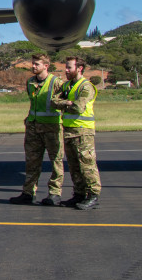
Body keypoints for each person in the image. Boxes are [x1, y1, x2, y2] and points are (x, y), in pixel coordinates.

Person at [9, 53, 63, 206]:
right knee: (32, 162)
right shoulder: (30, 82)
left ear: (46, 66)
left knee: (56, 162)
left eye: (37, 64)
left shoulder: (56, 83)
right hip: (33, 127)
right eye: (33, 64)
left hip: (51, 127)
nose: (33, 66)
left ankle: (54, 193)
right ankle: (28, 192)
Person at [51, 56, 101, 210]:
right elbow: (53, 101)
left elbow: (79, 107)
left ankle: (93, 194)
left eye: (69, 68)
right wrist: (67, 102)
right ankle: (79, 194)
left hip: (83, 131)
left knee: (87, 165)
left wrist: (64, 103)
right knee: (74, 166)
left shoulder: (86, 87)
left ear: (79, 69)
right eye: (66, 67)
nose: (66, 70)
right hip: (69, 131)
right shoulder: (67, 86)